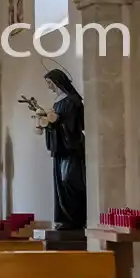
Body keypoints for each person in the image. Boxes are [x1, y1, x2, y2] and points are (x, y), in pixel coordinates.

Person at [33, 69, 87, 230]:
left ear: (58, 82)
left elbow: (75, 125)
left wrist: (56, 122)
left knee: (69, 179)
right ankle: (65, 219)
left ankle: (76, 219)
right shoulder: (58, 102)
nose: (49, 87)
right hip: (60, 149)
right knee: (60, 184)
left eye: (50, 84)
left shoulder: (72, 101)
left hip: (71, 148)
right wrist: (48, 124)